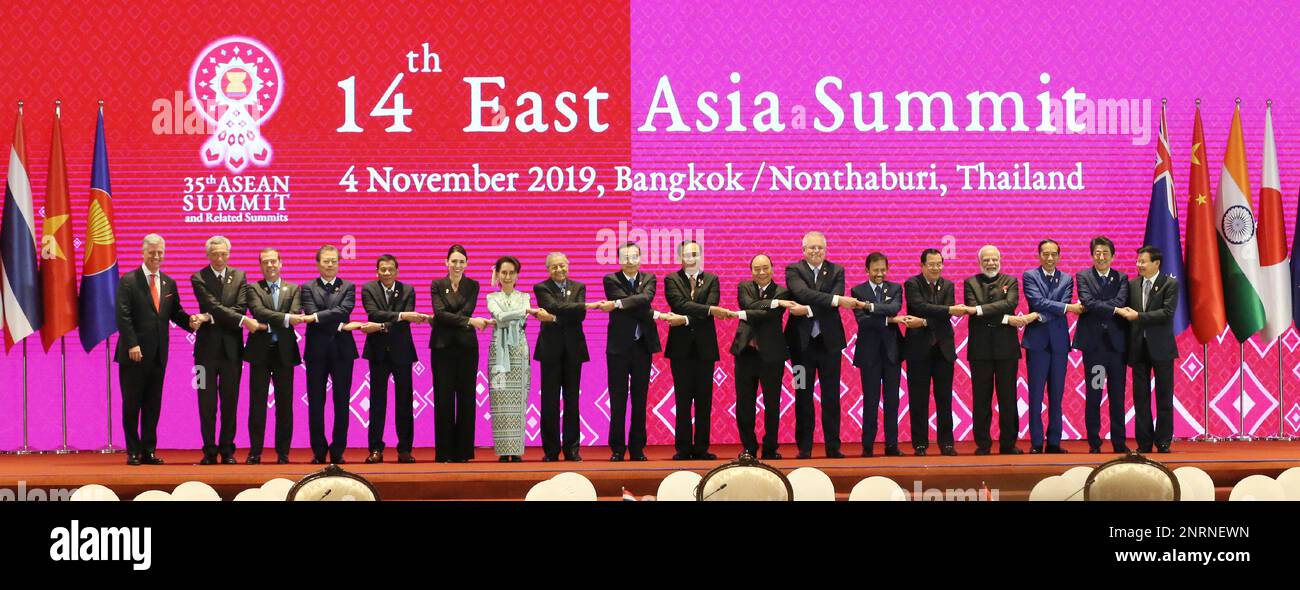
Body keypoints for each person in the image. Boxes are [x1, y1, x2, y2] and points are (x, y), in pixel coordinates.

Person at [114, 234, 201, 466]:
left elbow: (176, 313)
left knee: (153, 405)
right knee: (132, 404)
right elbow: (123, 316)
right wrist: (132, 343)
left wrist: (191, 321)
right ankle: (132, 451)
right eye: (152, 252)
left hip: (159, 354)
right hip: (133, 353)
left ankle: (148, 450)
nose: (156, 256)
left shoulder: (168, 283)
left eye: (160, 252)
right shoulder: (128, 280)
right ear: (143, 253)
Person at [596, 242, 685, 461]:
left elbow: (645, 300)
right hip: (617, 348)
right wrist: (641, 308)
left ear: (640, 258)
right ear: (619, 260)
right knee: (617, 400)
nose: (629, 260)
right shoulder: (611, 279)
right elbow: (641, 304)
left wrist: (617, 304)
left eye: (633, 256)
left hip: (642, 346)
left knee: (640, 399)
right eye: (625, 257)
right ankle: (617, 449)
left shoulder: (650, 278)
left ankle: (637, 449)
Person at [784, 231, 864, 459]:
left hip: (830, 344)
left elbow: (828, 300)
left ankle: (833, 446)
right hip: (800, 346)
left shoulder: (837, 270)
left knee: (831, 396)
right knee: (802, 394)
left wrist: (809, 308)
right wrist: (835, 300)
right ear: (803, 250)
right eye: (811, 248)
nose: (816, 251)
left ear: (825, 250)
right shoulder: (793, 270)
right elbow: (802, 292)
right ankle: (805, 447)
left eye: (820, 248)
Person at [191, 235, 259, 465]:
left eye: (223, 254)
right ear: (208, 254)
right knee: (206, 403)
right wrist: (241, 320)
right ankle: (209, 451)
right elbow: (212, 305)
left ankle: (228, 450)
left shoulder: (239, 276)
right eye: (214, 254)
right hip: (203, 353)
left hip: (232, 351)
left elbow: (240, 306)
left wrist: (210, 317)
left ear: (229, 254)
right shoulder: (198, 277)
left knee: (230, 402)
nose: (219, 258)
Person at [302, 245, 372, 464]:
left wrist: (320, 319)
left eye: (334, 260)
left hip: (342, 351)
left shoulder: (348, 286)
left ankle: (338, 449)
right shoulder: (307, 287)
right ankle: (319, 450)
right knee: (316, 402)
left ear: (338, 263)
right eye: (326, 261)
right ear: (318, 264)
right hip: (316, 350)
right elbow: (309, 312)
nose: (330, 264)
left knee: (341, 401)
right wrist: (340, 325)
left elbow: (344, 310)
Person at [732, 255, 807, 459]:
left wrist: (761, 307)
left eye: (765, 268)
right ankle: (748, 447)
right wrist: (772, 304)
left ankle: (770, 447)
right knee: (744, 403)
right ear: (751, 271)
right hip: (745, 352)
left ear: (773, 269)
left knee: (772, 404)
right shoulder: (744, 287)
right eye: (757, 269)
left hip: (772, 354)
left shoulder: (783, 291)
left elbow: (766, 314)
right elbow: (747, 304)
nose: (761, 272)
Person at [663, 240, 733, 461]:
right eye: (686, 254)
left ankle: (702, 448)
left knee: (704, 400)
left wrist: (686, 318)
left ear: (700, 255)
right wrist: (707, 309)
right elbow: (679, 303)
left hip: (705, 348)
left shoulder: (712, 279)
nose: (691, 257)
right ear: (680, 257)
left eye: (694, 253)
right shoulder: (671, 279)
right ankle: (683, 448)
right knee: (683, 400)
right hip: (680, 349)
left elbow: (707, 309)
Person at [360, 254, 427, 464]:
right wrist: (399, 317)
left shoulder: (408, 290)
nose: (386, 273)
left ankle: (405, 449)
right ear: (377, 271)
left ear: (397, 271)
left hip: (402, 351)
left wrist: (385, 323)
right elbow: (373, 314)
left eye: (390, 269)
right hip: (378, 352)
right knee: (377, 402)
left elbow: (402, 319)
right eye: (382, 269)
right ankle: (375, 449)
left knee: (405, 402)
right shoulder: (369, 289)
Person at [961, 245, 1027, 455]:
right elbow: (975, 308)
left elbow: (1010, 304)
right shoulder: (970, 283)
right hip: (980, 349)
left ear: (1000, 260)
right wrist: (1007, 319)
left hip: (1006, 348)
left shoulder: (1011, 281)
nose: (991, 263)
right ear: (980, 262)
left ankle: (1008, 443)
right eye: (986, 260)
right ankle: (983, 444)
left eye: (994, 259)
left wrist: (980, 310)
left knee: (1008, 398)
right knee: (981, 399)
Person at [533, 252, 597, 462]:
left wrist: (553, 318)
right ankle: (551, 451)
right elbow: (554, 305)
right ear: (548, 269)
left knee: (572, 401)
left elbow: (580, 316)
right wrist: (573, 309)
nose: (559, 270)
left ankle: (572, 449)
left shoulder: (579, 286)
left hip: (574, 350)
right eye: (554, 267)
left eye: (562, 265)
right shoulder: (541, 288)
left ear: (568, 265)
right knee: (549, 402)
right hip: (550, 351)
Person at [430, 244, 491, 463]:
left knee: (466, 399)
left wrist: (453, 316)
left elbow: (463, 310)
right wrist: (467, 321)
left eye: (461, 262)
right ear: (446, 263)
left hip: (467, 347)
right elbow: (439, 314)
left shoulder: (473, 285)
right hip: (442, 347)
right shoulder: (437, 284)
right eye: (453, 261)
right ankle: (444, 452)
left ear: (466, 264)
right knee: (443, 399)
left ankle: (463, 452)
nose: (457, 265)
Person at [242, 247, 303, 465]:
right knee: (256, 404)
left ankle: (283, 453)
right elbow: (258, 312)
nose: (270, 265)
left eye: (273, 261)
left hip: (285, 353)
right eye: (265, 262)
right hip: (260, 353)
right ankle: (255, 452)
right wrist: (285, 319)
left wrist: (280, 320)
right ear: (261, 266)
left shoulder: (294, 289)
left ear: (281, 263)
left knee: (285, 405)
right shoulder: (253, 289)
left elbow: (295, 315)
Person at [1116, 246, 1179, 453]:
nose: (1139, 265)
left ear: (1156, 263)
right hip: (1138, 348)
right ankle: (1144, 443)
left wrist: (1139, 317)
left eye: (1143, 261)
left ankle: (1163, 442)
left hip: (1162, 348)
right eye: (1138, 261)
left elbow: (1167, 313)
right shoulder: (1132, 284)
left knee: (1164, 398)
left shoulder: (1169, 284)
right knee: (1140, 399)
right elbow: (1124, 309)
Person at [1022, 239, 1082, 454]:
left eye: (1053, 254)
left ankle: (1054, 441)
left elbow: (1049, 307)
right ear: (1039, 255)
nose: (1049, 258)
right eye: (1045, 254)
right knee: (1036, 395)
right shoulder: (1030, 276)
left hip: (1058, 343)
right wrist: (1066, 307)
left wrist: (1040, 314)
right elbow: (1037, 301)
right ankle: (1037, 442)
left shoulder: (1066, 278)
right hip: (1037, 343)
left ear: (1059, 256)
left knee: (1056, 396)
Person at [902, 248, 962, 456]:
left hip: (943, 349)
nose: (936, 268)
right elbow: (920, 306)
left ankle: (947, 443)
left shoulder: (948, 285)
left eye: (939, 264)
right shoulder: (912, 284)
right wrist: (945, 311)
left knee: (944, 399)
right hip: (918, 349)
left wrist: (926, 320)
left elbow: (942, 315)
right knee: (918, 399)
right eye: (932, 264)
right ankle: (920, 443)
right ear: (922, 265)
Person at [1073, 236, 1130, 454]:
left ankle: (1119, 442)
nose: (1101, 256)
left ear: (1113, 256)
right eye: (1097, 252)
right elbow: (1088, 301)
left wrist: (1105, 307)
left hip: (1116, 348)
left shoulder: (1122, 278)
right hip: (1095, 348)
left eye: (1105, 252)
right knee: (1095, 393)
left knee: (1117, 395)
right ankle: (1094, 443)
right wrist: (1113, 309)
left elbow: (1120, 300)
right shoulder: (1084, 276)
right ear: (1092, 255)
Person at [487, 256, 547, 462]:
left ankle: (517, 449)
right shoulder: (491, 297)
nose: (507, 276)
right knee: (499, 400)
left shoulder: (525, 296)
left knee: (520, 400)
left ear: (517, 275)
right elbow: (499, 317)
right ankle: (503, 451)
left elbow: (509, 317)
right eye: (503, 272)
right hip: (498, 349)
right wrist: (525, 311)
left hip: (519, 348)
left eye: (512, 272)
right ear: (498, 274)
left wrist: (520, 312)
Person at [850, 252, 907, 457]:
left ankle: (892, 445)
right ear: (867, 270)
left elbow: (895, 307)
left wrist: (870, 307)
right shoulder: (857, 290)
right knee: (871, 400)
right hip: (869, 353)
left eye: (883, 270)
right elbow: (862, 321)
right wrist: (889, 320)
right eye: (876, 270)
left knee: (893, 400)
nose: (880, 274)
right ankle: (868, 445)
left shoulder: (895, 288)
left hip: (892, 352)